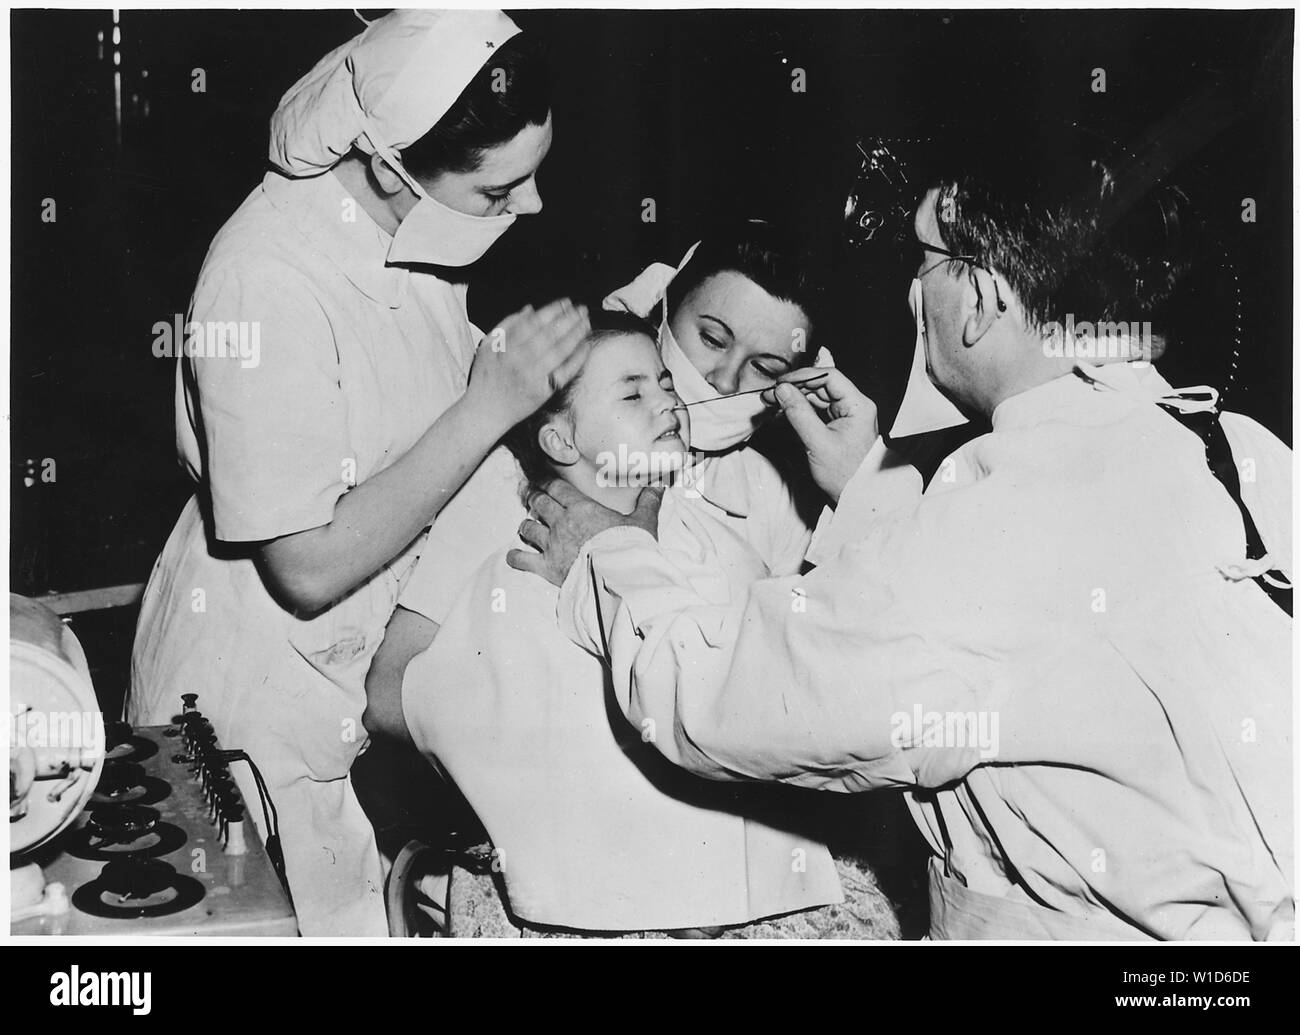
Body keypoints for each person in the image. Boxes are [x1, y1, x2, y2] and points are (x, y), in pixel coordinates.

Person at [512, 135, 1294, 940]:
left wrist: (611, 553)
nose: (913, 292)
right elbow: (998, 640)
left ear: (983, 299)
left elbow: (719, 703)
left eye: (925, 259)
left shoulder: (1000, 524)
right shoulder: (1237, 447)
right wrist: (871, 482)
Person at [128, 10, 593, 936]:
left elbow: (431, 398)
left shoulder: (415, 227)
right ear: (389, 167)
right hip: (234, 708)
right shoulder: (265, 277)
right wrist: (487, 407)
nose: (531, 207)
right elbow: (305, 565)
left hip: (332, 697)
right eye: (502, 188)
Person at [391, 310, 897, 937]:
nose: (668, 401)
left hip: (749, 888)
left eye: (664, 383)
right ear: (560, 441)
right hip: (599, 906)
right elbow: (432, 711)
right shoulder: (519, 565)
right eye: (633, 392)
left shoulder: (716, 536)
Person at [365, 219, 846, 733]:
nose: (724, 381)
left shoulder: (774, 499)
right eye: (711, 338)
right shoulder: (522, 474)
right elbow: (392, 691)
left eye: (766, 368)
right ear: (663, 305)